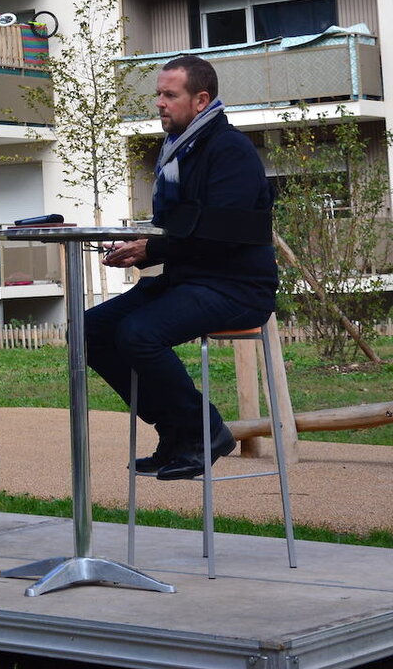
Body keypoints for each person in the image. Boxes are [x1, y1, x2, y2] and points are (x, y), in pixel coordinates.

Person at [86, 54, 276, 481]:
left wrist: (151, 250)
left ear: (200, 99)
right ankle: (175, 429)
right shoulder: (179, 150)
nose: (159, 103)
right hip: (188, 279)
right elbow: (176, 227)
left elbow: (222, 233)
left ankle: (205, 431)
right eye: (158, 94)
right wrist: (141, 247)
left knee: (139, 334)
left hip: (237, 287)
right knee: (89, 330)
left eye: (170, 95)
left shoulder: (229, 150)